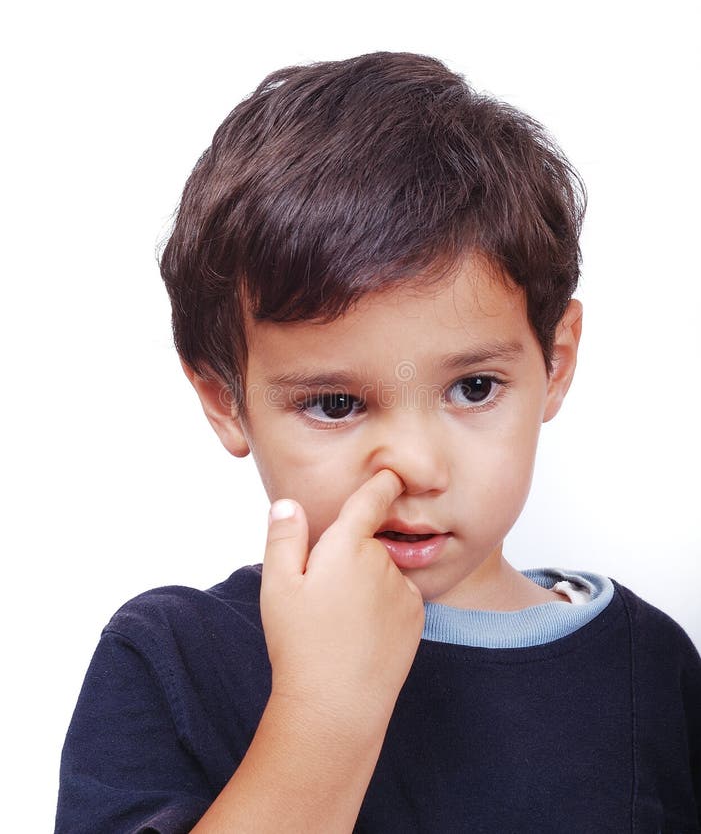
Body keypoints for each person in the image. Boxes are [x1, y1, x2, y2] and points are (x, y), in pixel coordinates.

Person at [55, 52, 701, 833]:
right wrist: (324, 712)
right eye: (335, 403)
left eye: (473, 389)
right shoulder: (172, 661)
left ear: (554, 362)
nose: (415, 468)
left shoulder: (647, 666)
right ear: (225, 401)